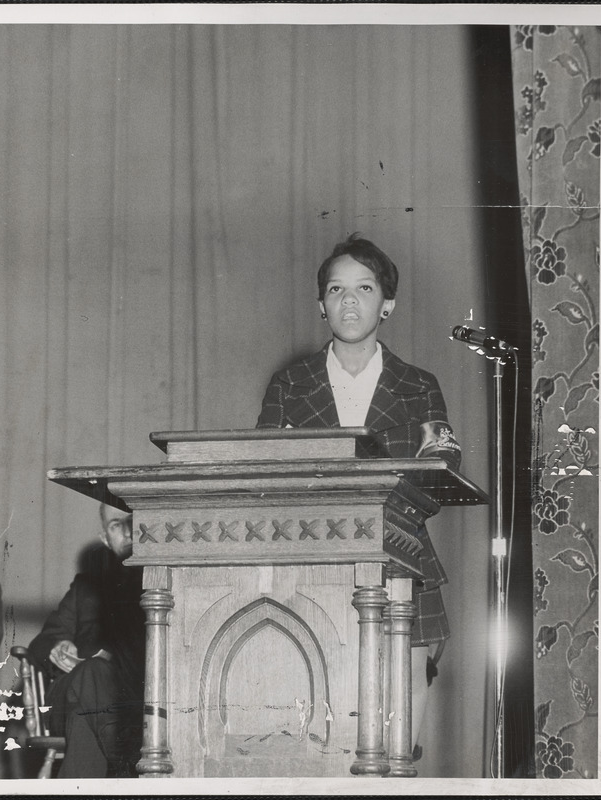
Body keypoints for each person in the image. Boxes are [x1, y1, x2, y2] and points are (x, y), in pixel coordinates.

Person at [257, 233, 461, 748]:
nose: (349, 300)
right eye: (336, 289)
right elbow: (262, 471)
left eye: (364, 288)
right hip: (309, 561)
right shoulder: (288, 384)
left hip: (401, 559)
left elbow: (443, 463)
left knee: (400, 722)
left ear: (387, 303)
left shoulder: (419, 384)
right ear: (321, 304)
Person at [28, 504, 145, 778]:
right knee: (93, 671)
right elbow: (40, 644)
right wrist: (58, 645)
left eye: (133, 522)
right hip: (69, 695)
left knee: (84, 724)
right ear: (105, 537)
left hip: (126, 703)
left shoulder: (159, 585)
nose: (128, 533)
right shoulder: (86, 586)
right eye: (117, 525)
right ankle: (129, 766)